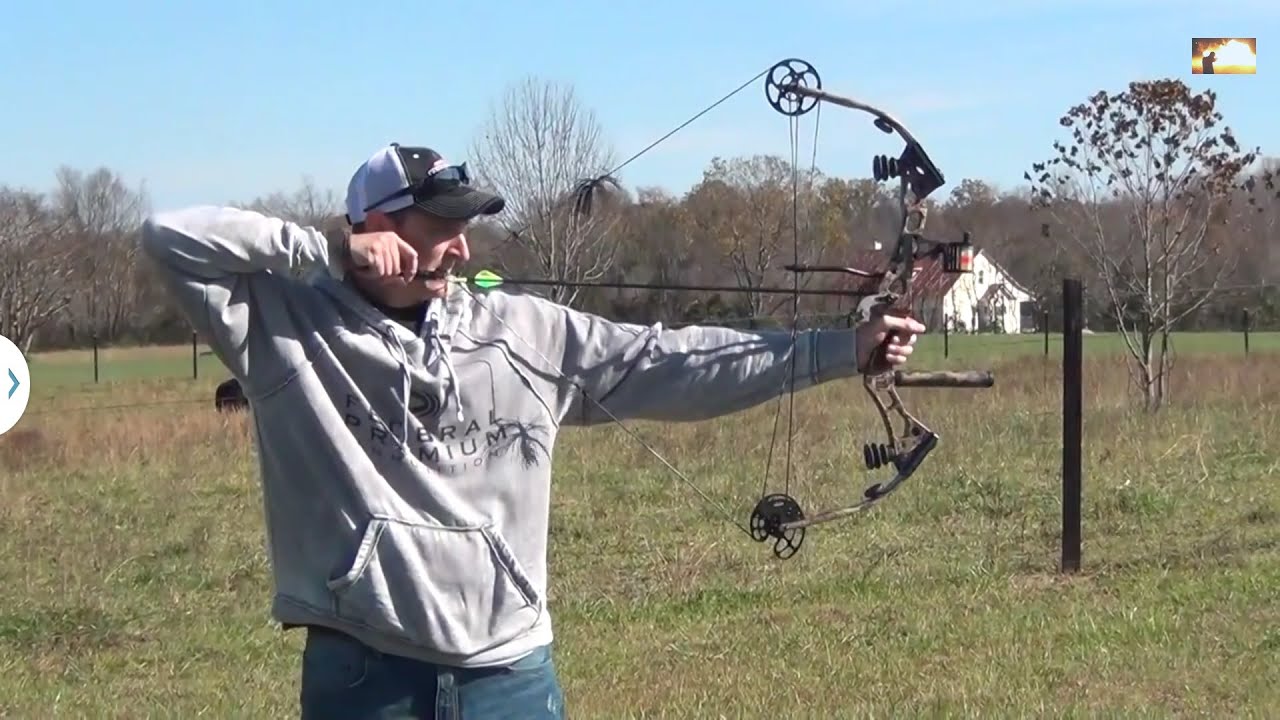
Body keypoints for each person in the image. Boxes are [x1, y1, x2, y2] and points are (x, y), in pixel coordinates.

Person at [139, 142, 926, 719]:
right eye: (439, 227)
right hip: (365, 680)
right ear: (377, 229)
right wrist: (324, 250)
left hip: (509, 681)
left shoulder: (521, 331)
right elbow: (167, 235)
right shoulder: (284, 328)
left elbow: (672, 362)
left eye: (466, 227)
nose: (461, 249)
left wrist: (838, 350)